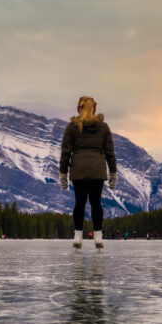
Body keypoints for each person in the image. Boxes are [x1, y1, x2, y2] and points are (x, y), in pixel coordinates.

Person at [59, 96, 117, 249]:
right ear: (95, 109)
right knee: (96, 203)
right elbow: (110, 153)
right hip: (97, 171)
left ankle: (78, 237)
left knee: (80, 203)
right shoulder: (103, 127)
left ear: (79, 109)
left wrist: (63, 174)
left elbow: (65, 152)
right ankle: (98, 237)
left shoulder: (72, 127)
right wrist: (113, 173)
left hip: (78, 171)